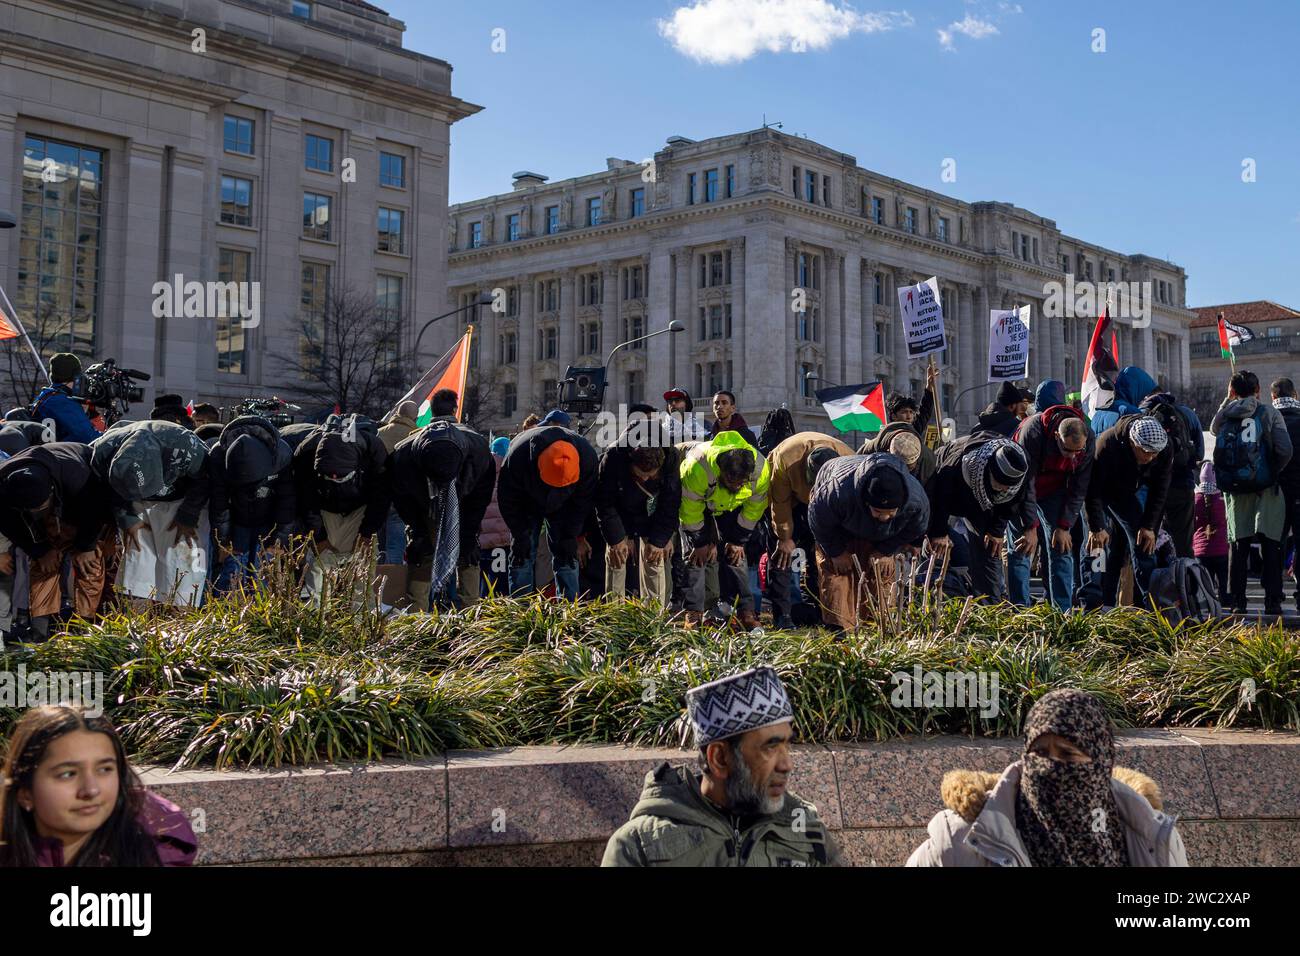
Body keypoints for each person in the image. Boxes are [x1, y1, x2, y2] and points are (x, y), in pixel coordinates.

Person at [906, 689, 1187, 866]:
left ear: (1101, 762)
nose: (1050, 766)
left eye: (1067, 754)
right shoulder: (960, 840)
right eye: (1039, 751)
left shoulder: (1151, 837)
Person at [602, 667, 841, 867]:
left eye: (787, 745)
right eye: (770, 747)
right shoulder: (639, 845)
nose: (787, 764)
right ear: (719, 758)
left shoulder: (807, 830)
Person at [0, 706, 197, 867]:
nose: (91, 790)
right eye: (68, 774)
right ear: (25, 793)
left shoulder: (156, 856)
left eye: (104, 769)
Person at [90, 419, 211, 608]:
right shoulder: (102, 451)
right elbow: (106, 487)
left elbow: (206, 480)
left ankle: (181, 619)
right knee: (138, 560)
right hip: (134, 503)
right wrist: (126, 518)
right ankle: (136, 621)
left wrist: (188, 515)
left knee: (184, 562)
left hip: (182, 500)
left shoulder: (186, 446)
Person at [807, 452, 929, 628]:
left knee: (882, 572)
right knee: (838, 575)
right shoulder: (837, 492)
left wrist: (887, 550)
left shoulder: (916, 500)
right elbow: (818, 520)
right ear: (867, 503)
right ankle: (838, 631)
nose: (884, 517)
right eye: (878, 512)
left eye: (890, 512)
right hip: (838, 527)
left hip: (883, 536)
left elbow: (917, 528)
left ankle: (878, 627)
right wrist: (836, 552)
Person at [0, 442, 110, 637]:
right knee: (44, 562)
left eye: (41, 507)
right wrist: (40, 550)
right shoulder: (4, 486)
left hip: (86, 498)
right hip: (40, 496)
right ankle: (39, 627)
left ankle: (84, 628)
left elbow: (98, 509)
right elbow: (8, 523)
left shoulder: (78, 476)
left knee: (90, 562)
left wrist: (85, 546)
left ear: (51, 490)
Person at [1210, 371, 1294, 616]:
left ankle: (1237, 601)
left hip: (1235, 491)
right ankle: (1272, 601)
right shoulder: (1269, 413)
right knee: (1271, 544)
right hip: (1266, 489)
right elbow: (1285, 449)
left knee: (1238, 545)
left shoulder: (1225, 415)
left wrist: (1227, 400)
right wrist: (1270, 472)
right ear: (1258, 389)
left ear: (1233, 390)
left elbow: (1214, 430)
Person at [390, 418, 496, 610]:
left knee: (468, 554)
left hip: (464, 502)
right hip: (424, 507)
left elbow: (479, 499)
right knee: (422, 553)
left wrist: (469, 534)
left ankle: (469, 614)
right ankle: (417, 616)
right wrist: (418, 532)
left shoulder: (479, 454)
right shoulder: (402, 459)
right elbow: (404, 502)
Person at [292, 413, 392, 603]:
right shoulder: (306, 454)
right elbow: (306, 500)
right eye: (331, 476)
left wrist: (366, 533)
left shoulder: (374, 452)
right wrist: (319, 537)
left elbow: (381, 497)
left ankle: (359, 614)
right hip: (324, 505)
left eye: (341, 476)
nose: (336, 480)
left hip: (361, 505)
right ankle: (318, 613)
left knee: (362, 560)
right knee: (320, 562)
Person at [677, 430, 771, 630]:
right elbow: (690, 510)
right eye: (732, 481)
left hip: (732, 505)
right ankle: (694, 612)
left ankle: (746, 611)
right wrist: (699, 542)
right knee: (695, 557)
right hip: (700, 503)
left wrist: (738, 540)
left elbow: (754, 509)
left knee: (736, 555)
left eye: (741, 482)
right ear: (721, 471)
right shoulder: (697, 467)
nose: (737, 486)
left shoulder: (761, 470)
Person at [497, 422, 598, 601]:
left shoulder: (587, 458)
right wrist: (519, 533)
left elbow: (582, 504)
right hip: (526, 502)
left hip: (566, 505)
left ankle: (568, 608)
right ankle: (521, 609)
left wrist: (571, 534)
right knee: (522, 555)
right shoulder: (518, 456)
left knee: (566, 555)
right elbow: (508, 500)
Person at [1008, 405, 1094, 612]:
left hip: (1055, 491)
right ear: (1056, 436)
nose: (1072, 456)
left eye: (1077, 451)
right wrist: (1030, 526)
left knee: (1061, 547)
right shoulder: (1032, 432)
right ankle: (1021, 611)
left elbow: (1079, 488)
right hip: (1020, 488)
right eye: (1067, 450)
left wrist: (1064, 526)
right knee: (1022, 547)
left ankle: (1061, 612)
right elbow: (1026, 484)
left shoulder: (1088, 438)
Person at [1082, 415, 1173, 609]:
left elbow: (1160, 490)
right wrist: (1096, 526)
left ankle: (1153, 606)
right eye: (1146, 452)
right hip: (1103, 492)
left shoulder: (1164, 449)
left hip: (1129, 493)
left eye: (1154, 454)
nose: (1150, 458)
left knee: (1142, 542)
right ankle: (1095, 604)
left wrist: (1149, 526)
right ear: (1133, 443)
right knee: (1097, 543)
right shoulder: (1106, 444)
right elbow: (1092, 491)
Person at [925, 435, 1030, 599]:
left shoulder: (1020, 471)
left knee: (989, 548)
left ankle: (988, 605)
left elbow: (1012, 504)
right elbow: (939, 498)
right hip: (950, 496)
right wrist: (939, 531)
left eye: (1008, 486)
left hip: (986, 505)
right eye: (1000, 483)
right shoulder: (956, 467)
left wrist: (996, 530)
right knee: (936, 545)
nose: (1003, 489)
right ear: (990, 470)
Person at [766, 432, 852, 628]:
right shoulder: (787, 458)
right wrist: (784, 536)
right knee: (783, 555)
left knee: (820, 553)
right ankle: (783, 616)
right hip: (789, 497)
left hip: (827, 503)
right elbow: (780, 503)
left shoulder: (849, 461)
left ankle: (820, 610)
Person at [596, 419, 682, 605]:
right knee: (616, 557)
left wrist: (659, 540)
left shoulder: (672, 458)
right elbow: (604, 503)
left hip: (653, 512)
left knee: (654, 557)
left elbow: (671, 503)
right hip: (619, 510)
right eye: (640, 474)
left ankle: (653, 617)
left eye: (650, 475)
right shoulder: (613, 457)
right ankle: (613, 615)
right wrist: (616, 539)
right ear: (630, 460)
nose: (645, 478)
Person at [208, 414, 296, 594]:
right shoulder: (218, 456)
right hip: (237, 518)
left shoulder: (282, 455)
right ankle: (226, 607)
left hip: (269, 519)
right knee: (233, 565)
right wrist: (223, 542)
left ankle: (259, 611)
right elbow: (219, 503)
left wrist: (279, 539)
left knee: (262, 570)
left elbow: (287, 501)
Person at [1138, 390, 1204, 558]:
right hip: (1182, 485)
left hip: (1152, 487)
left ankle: (1155, 580)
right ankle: (1184, 579)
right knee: (1183, 542)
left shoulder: (1142, 414)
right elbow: (1199, 453)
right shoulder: (1187, 413)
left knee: (1150, 539)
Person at [378, 397, 427, 566]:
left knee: (379, 543)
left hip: (380, 493)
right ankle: (392, 581)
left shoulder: (381, 432)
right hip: (402, 495)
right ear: (415, 418)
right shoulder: (417, 436)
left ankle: (376, 581)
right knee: (396, 542)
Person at [1271, 378, 1300, 612]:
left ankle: (1273, 598)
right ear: (1296, 395)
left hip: (1274, 492)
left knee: (1274, 546)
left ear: (1272, 397)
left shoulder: (1267, 420)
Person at [28, 352, 99, 443]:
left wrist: (83, 411)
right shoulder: (61, 401)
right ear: (77, 377)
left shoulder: (49, 395)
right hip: (54, 455)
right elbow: (90, 438)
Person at [477, 436, 512, 597]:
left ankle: (481, 604)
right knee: (500, 580)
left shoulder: (481, 469)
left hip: (482, 537)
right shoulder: (510, 472)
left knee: (482, 578)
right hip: (502, 539)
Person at [1193, 461, 1230, 606]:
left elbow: (1193, 524)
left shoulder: (1196, 499)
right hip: (1221, 550)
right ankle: (1224, 601)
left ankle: (1207, 605)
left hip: (1201, 552)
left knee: (1205, 584)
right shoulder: (1221, 499)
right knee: (1222, 581)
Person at [1088, 365, 1156, 435]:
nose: (1143, 400)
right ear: (1136, 389)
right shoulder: (1131, 412)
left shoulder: (1098, 412)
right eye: (1144, 395)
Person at [858, 422, 935, 483]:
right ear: (888, 452)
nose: (904, 471)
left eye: (909, 468)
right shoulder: (871, 449)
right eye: (901, 466)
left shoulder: (928, 460)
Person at [885, 361, 939, 437]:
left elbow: (925, 410)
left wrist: (929, 386)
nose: (909, 415)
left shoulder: (914, 429)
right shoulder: (888, 434)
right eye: (904, 412)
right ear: (894, 416)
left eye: (911, 412)